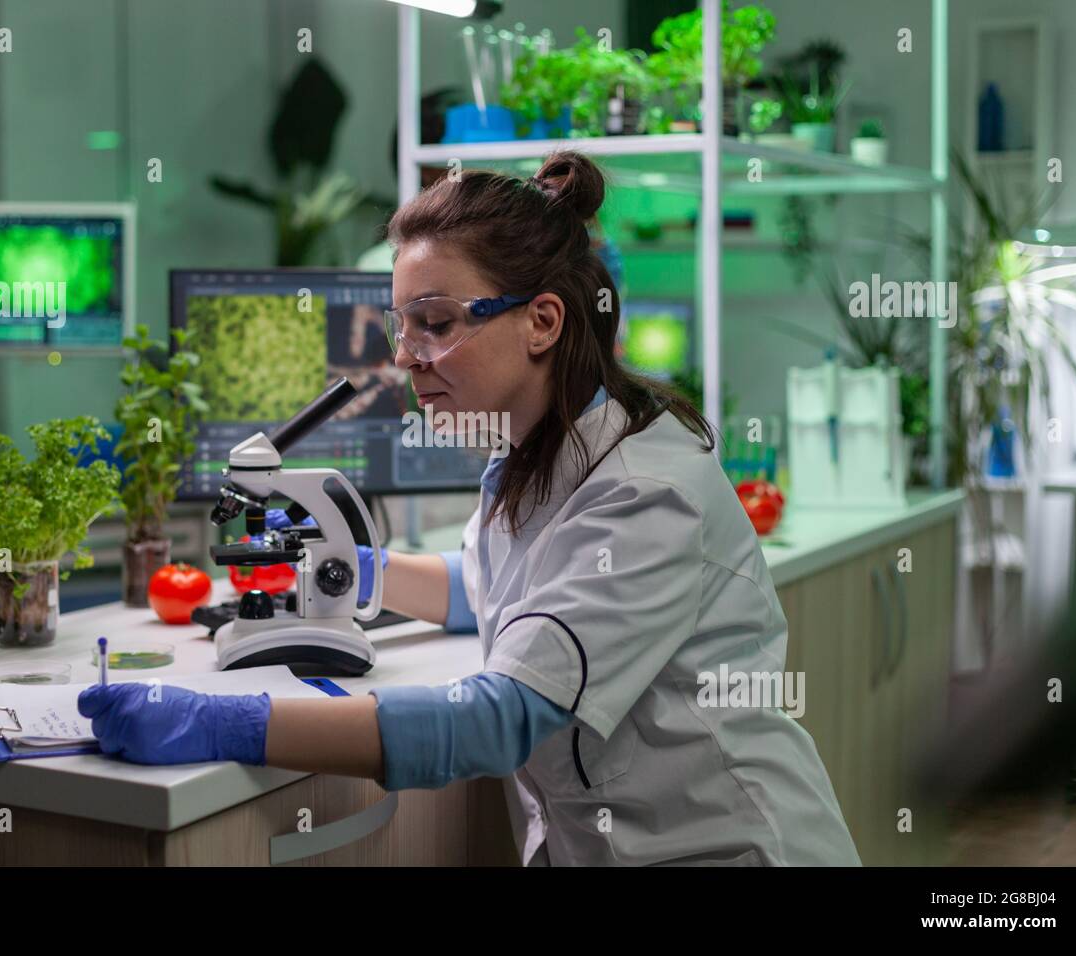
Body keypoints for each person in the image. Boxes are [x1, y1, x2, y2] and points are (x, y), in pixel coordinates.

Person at [79, 151, 861, 866]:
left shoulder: (645, 494)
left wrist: (227, 723)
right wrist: (349, 570)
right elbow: (494, 587)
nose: (404, 356)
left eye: (437, 323)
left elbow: (495, 718)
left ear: (543, 321)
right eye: (401, 324)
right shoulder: (533, 448)